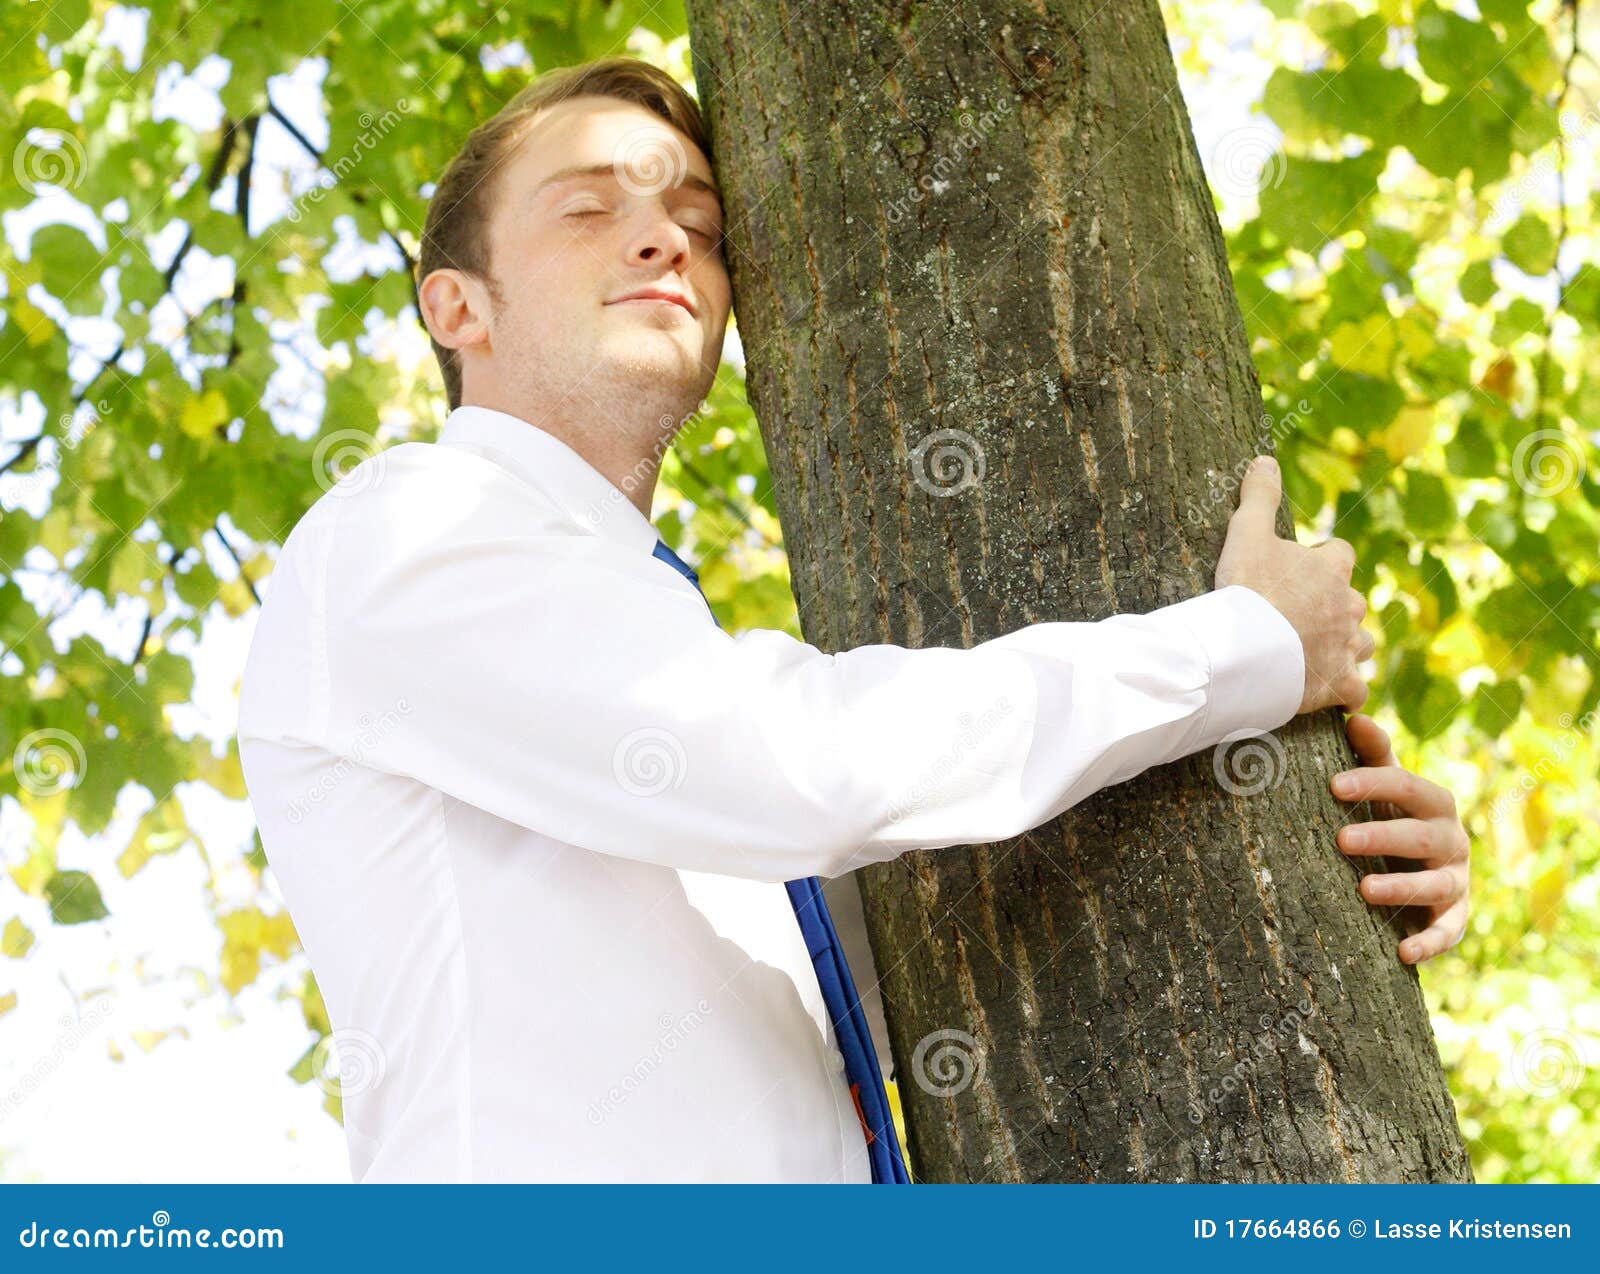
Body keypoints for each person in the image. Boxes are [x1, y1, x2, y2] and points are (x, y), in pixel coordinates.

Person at [236, 57, 1469, 1184]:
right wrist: (1243, 649)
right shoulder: (404, 526)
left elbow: (865, 947)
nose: (664, 237)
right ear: (458, 307)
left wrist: (1311, 819)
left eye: (701, 228)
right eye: (588, 205)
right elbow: (801, 766)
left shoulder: (641, 666)